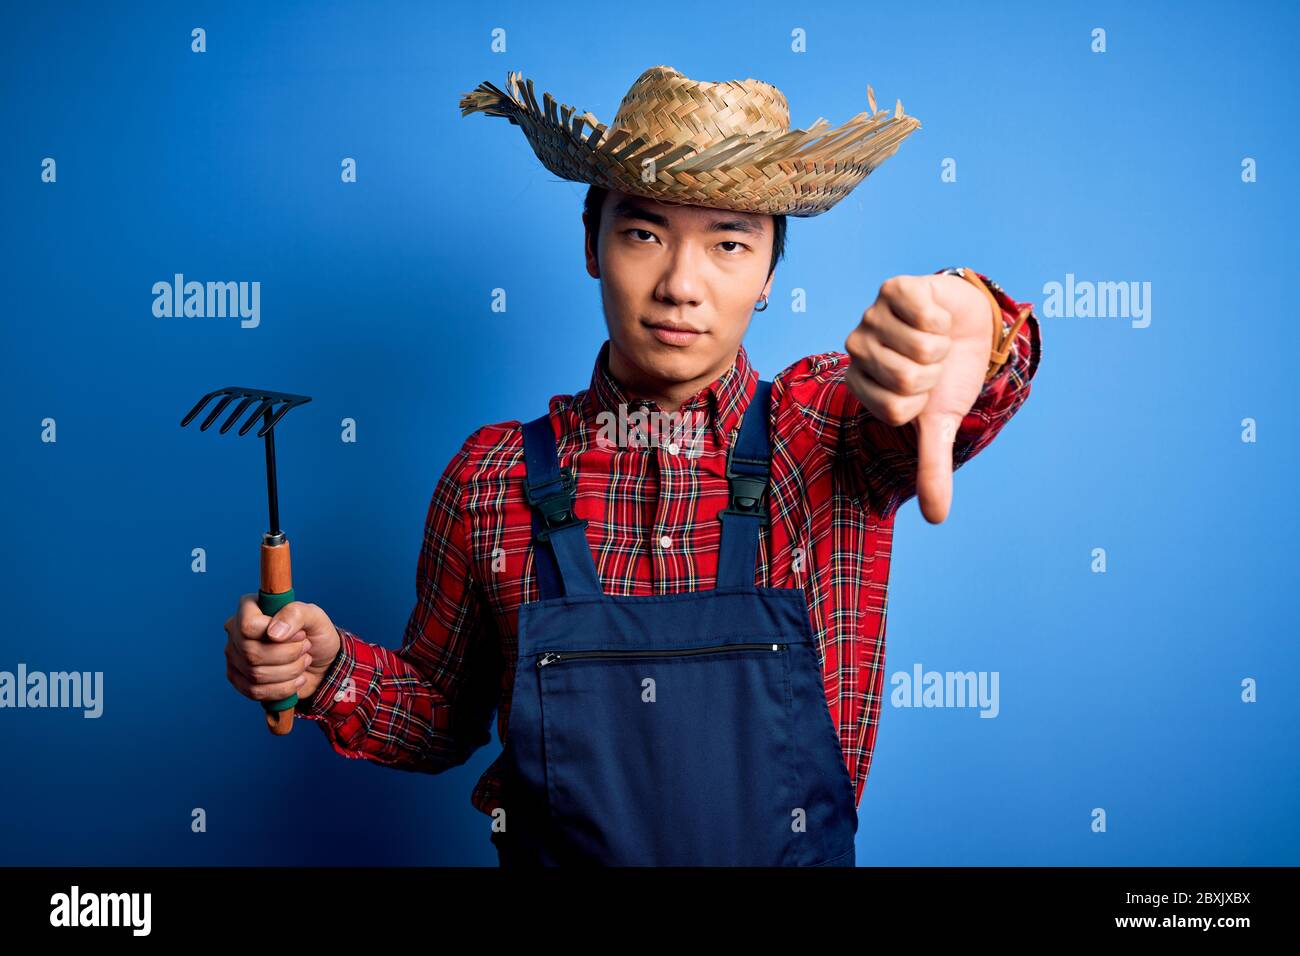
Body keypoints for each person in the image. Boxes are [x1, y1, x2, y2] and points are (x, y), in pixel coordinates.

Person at [223, 65, 1041, 866]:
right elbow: (441, 714)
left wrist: (975, 315)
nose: (680, 285)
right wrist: (325, 668)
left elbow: (962, 386)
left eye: (728, 242)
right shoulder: (490, 478)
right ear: (591, 243)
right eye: (644, 233)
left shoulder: (827, 430)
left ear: (767, 276)